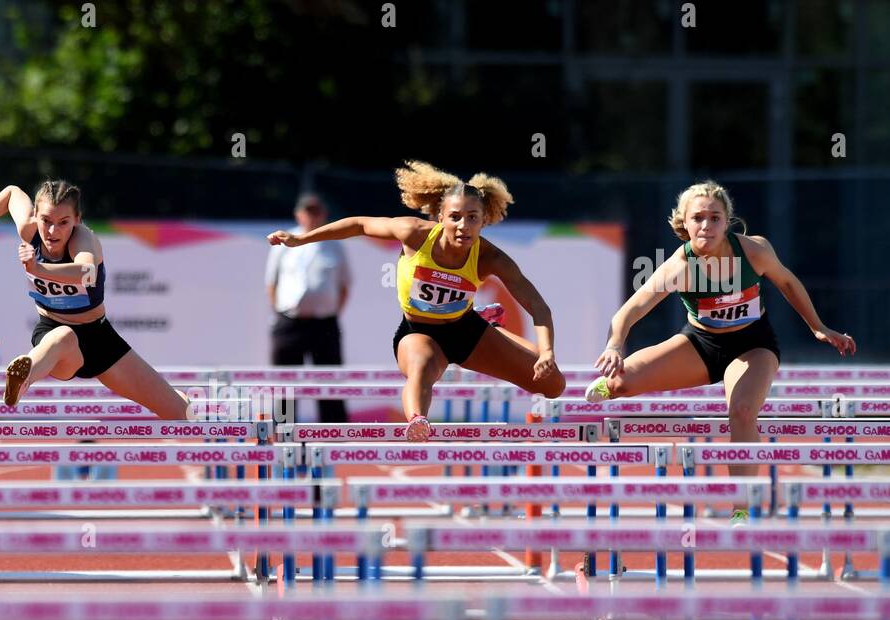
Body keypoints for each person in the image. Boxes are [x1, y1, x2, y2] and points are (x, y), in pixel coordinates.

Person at [267, 161, 564, 441]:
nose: (463, 226)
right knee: (422, 365)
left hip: (466, 330)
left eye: (472, 218)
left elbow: (537, 306)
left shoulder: (491, 258)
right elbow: (359, 224)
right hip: (419, 332)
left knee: (553, 386)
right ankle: (417, 420)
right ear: (440, 217)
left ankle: (490, 327)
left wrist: (547, 351)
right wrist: (301, 240)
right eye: (455, 217)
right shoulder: (414, 234)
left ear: (483, 220)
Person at [586, 180, 856, 478]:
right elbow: (630, 310)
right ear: (684, 224)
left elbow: (789, 283)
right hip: (700, 345)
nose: (706, 226)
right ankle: (609, 386)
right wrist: (614, 346)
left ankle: (742, 510)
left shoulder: (754, 250)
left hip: (753, 345)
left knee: (741, 412)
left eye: (715, 218)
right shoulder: (679, 267)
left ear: (727, 222)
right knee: (620, 382)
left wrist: (818, 327)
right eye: (698, 218)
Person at [0, 180, 189, 418]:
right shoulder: (29, 229)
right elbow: (11, 193)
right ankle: (22, 376)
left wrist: (39, 270)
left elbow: (87, 273)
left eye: (63, 223)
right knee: (63, 337)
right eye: (46, 221)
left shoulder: (83, 239)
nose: (52, 231)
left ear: (77, 219)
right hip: (53, 332)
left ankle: (178, 401)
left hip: (100, 340)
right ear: (35, 215)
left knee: (183, 416)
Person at [265, 193, 351, 422]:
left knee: (329, 382)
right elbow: (271, 283)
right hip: (289, 322)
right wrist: (279, 313)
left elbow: (344, 285)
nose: (312, 216)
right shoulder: (283, 242)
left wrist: (330, 311)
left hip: (324, 323)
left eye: (317, 211)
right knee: (285, 384)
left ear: (324, 214)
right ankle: (284, 431)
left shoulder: (334, 244)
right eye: (308, 211)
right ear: (298, 214)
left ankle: (335, 434)